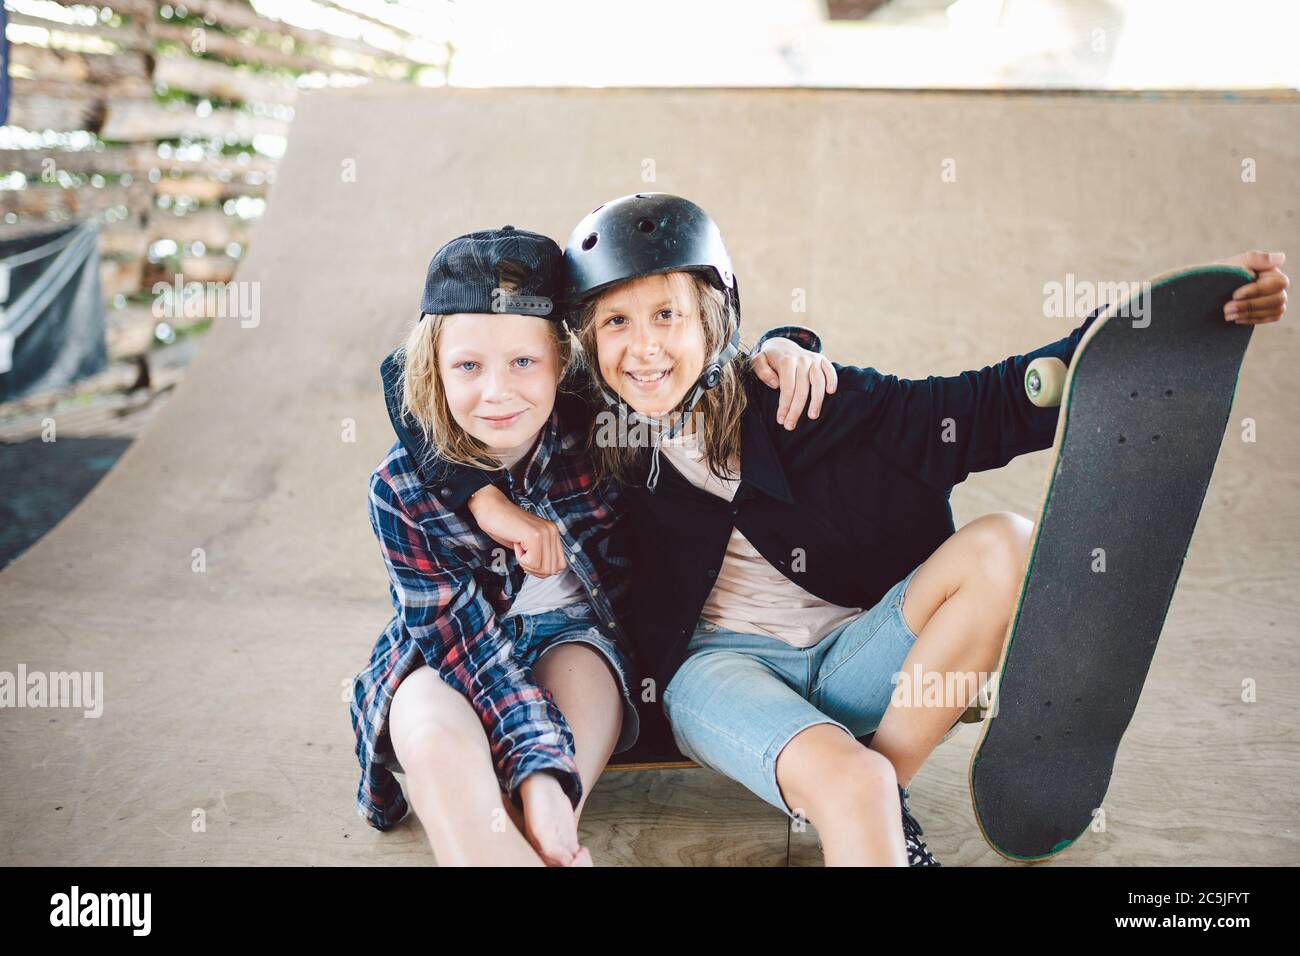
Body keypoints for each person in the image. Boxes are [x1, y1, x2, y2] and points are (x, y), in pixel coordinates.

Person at [350, 224, 831, 865]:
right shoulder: (400, 488)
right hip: (447, 651)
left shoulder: (598, 424)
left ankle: (546, 816)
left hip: (577, 639)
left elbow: (698, 360)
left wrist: (784, 348)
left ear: (564, 361)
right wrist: (482, 498)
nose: (497, 391)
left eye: (524, 362)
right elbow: (462, 647)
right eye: (468, 365)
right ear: (432, 368)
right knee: (436, 739)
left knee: (547, 793)